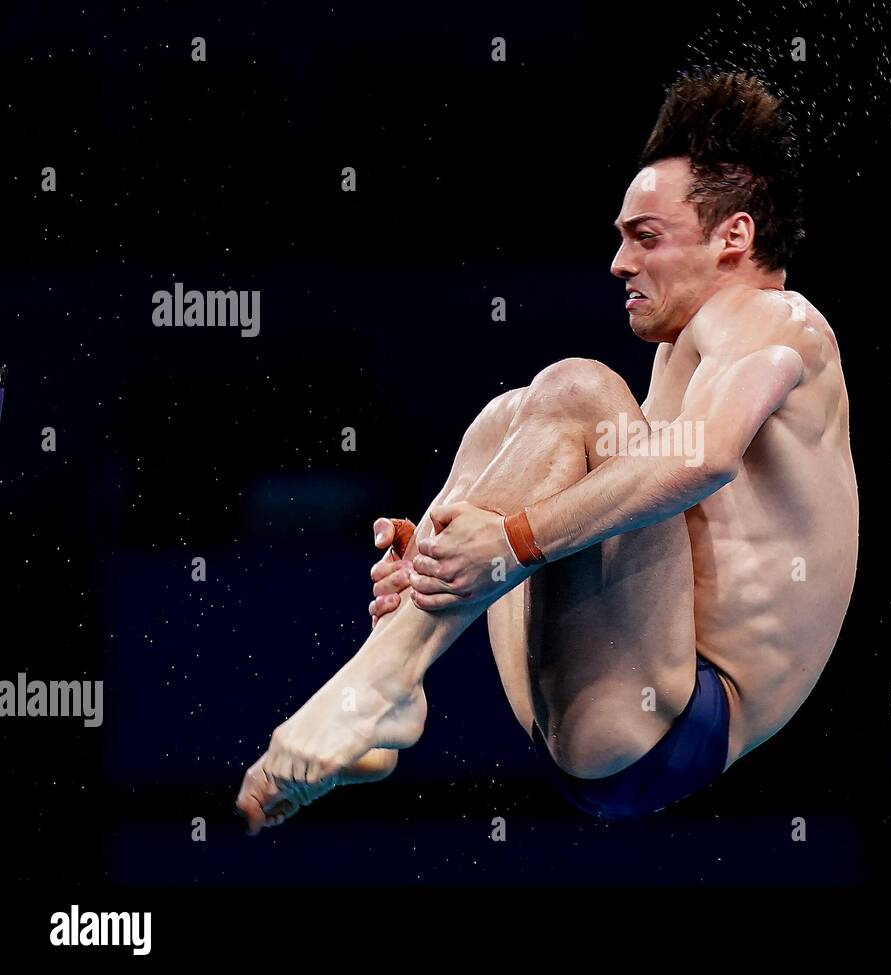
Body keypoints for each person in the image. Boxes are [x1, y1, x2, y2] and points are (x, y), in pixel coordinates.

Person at [236, 70, 858, 831]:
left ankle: (381, 680)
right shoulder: (681, 355)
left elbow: (708, 459)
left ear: (734, 235)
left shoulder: (776, 319)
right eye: (621, 240)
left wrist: (511, 538)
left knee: (579, 390)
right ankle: (397, 652)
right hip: (597, 707)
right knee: (511, 415)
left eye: (646, 238)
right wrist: (430, 547)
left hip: (676, 720)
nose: (619, 265)